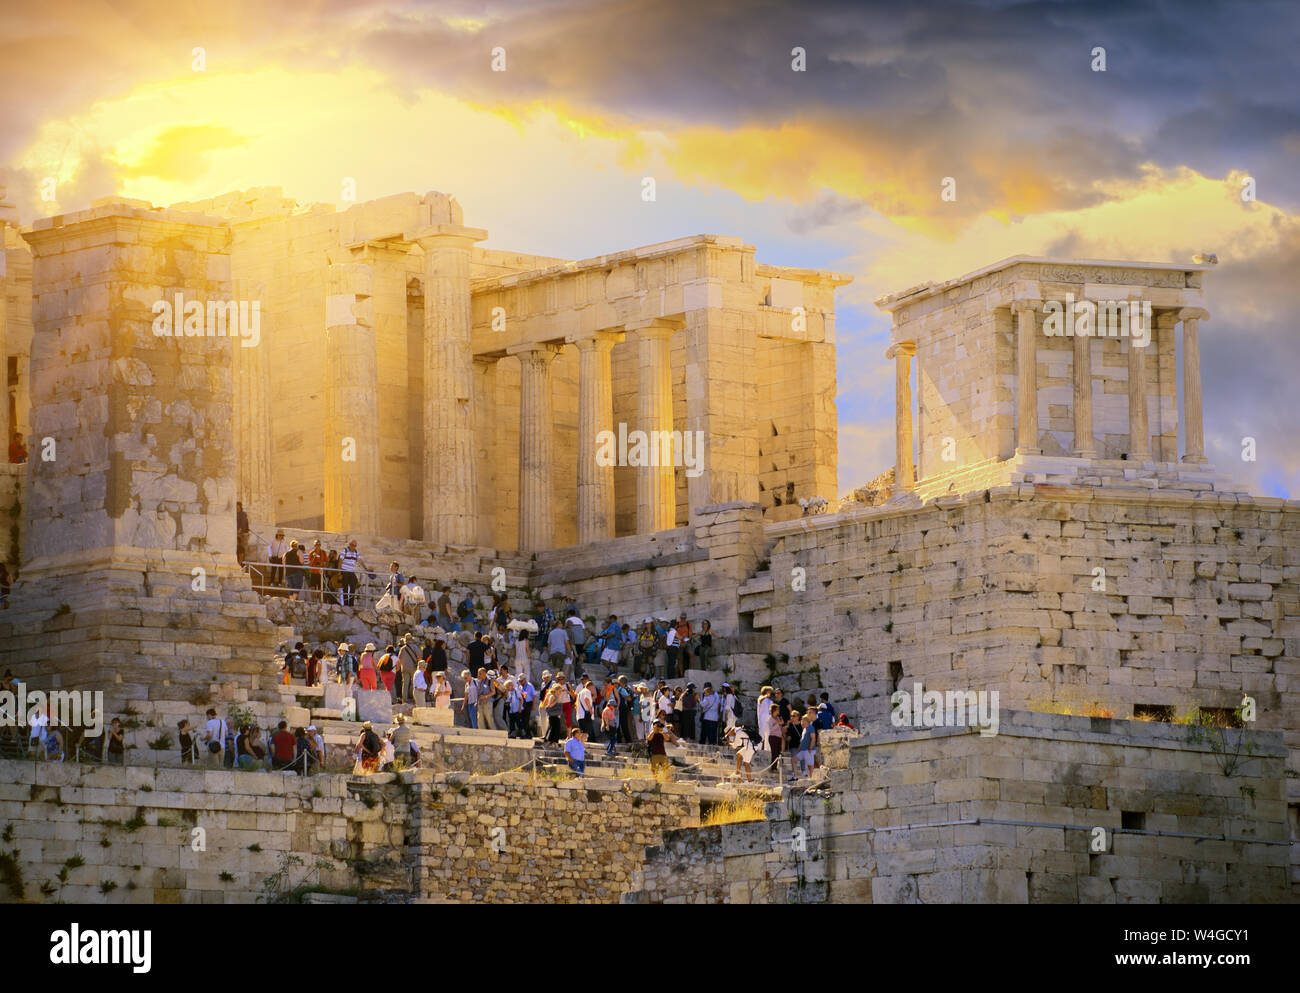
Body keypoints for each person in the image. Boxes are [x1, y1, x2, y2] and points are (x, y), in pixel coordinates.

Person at [339, 539, 369, 606]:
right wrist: (339, 572)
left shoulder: (356, 552)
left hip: (351, 571)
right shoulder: (345, 550)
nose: (353, 547)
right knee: (345, 587)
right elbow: (340, 561)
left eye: (355, 545)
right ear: (349, 544)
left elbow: (360, 561)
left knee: (353, 586)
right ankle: (346, 604)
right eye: (352, 545)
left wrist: (366, 568)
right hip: (344, 570)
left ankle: (351, 604)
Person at [796, 712, 818, 778]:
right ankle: (810, 777)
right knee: (809, 764)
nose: (801, 721)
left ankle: (812, 778)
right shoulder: (805, 729)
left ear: (806, 720)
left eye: (803, 720)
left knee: (810, 765)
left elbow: (813, 738)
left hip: (809, 749)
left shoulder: (810, 728)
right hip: (805, 749)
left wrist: (810, 748)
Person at [766, 703, 785, 773]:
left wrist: (780, 723)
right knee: (774, 753)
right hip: (773, 737)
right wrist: (777, 724)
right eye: (777, 709)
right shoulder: (770, 719)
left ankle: (775, 767)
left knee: (778, 753)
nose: (779, 710)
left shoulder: (778, 718)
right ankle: (772, 768)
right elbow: (771, 729)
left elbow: (781, 725)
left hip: (779, 737)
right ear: (774, 710)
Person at [600, 691, 619, 756]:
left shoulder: (608, 709)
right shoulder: (607, 710)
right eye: (613, 706)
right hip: (608, 727)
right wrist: (607, 726)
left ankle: (609, 750)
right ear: (610, 705)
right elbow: (606, 718)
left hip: (610, 727)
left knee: (612, 739)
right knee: (613, 740)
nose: (614, 707)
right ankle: (609, 751)